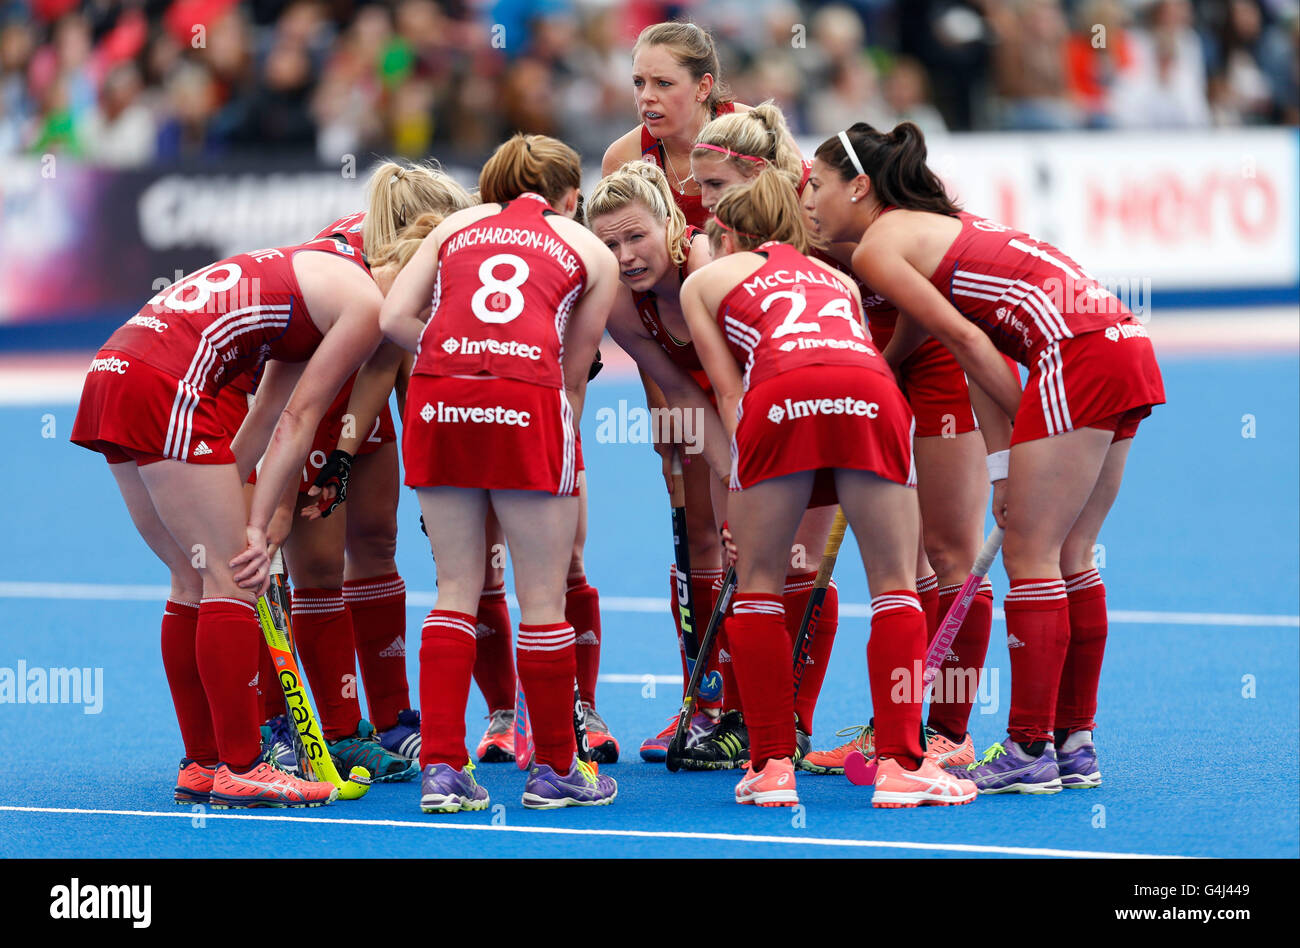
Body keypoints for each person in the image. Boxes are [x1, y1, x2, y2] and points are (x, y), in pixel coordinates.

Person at [807, 122, 1166, 792]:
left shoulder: (879, 247)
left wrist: (1025, 448)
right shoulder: (939, 222)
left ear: (860, 186)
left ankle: (1030, 746)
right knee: (1072, 553)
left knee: (1031, 555)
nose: (809, 201)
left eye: (818, 185)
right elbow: (975, 344)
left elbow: (970, 344)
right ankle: (1073, 743)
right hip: (1122, 341)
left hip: (1074, 354)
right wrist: (1007, 468)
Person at [678, 166, 978, 808]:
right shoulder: (838, 277)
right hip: (872, 394)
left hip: (780, 397)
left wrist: (742, 500)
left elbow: (732, 395)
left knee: (758, 584)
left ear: (727, 233)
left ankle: (770, 766)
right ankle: (901, 765)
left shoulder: (706, 279)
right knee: (895, 581)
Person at [71, 230, 388, 808]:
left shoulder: (313, 273)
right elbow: (299, 421)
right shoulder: (364, 301)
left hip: (115, 371)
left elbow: (267, 414)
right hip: (169, 384)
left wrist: (246, 509)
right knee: (233, 578)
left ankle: (202, 763)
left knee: (193, 577)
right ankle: (241, 767)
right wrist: (254, 527)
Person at [379, 134, 621, 812]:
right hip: (526, 400)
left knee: (455, 586)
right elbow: (572, 375)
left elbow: (393, 317)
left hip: (438, 395)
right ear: (571, 198)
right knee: (541, 597)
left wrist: (455, 351)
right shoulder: (590, 250)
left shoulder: (457, 225)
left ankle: (442, 770)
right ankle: (556, 771)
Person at [586, 160, 734, 762]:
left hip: (766, 395)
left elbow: (738, 384)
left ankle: (778, 718)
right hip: (700, 399)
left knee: (756, 545)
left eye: (636, 236)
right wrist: (715, 459)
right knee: (706, 537)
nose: (625, 255)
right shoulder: (622, 306)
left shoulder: (709, 269)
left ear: (671, 223)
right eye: (610, 245)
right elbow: (677, 387)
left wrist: (742, 472)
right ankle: (706, 704)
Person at [602, 22, 750, 229]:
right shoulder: (623, 157)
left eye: (663, 83)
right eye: (638, 82)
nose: (646, 96)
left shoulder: (754, 131)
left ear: (703, 87)